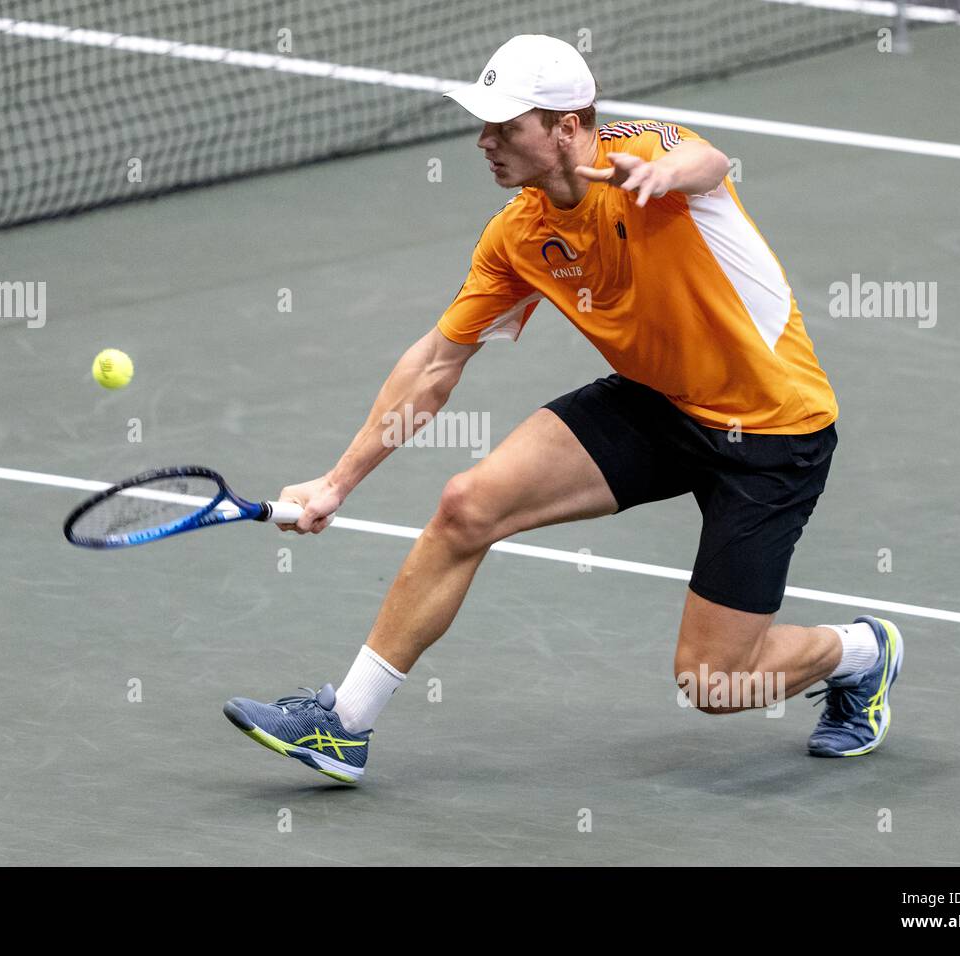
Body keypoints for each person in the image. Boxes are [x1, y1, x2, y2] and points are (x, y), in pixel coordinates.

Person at [223, 35, 903, 783]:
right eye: (485, 125)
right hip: (661, 405)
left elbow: (706, 164)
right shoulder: (519, 235)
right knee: (467, 506)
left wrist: (659, 174)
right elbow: (435, 364)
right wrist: (337, 483)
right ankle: (344, 725)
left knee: (713, 682)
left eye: (506, 126)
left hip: (774, 430)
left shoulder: (646, 156)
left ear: (568, 125)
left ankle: (864, 653)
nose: (486, 142)